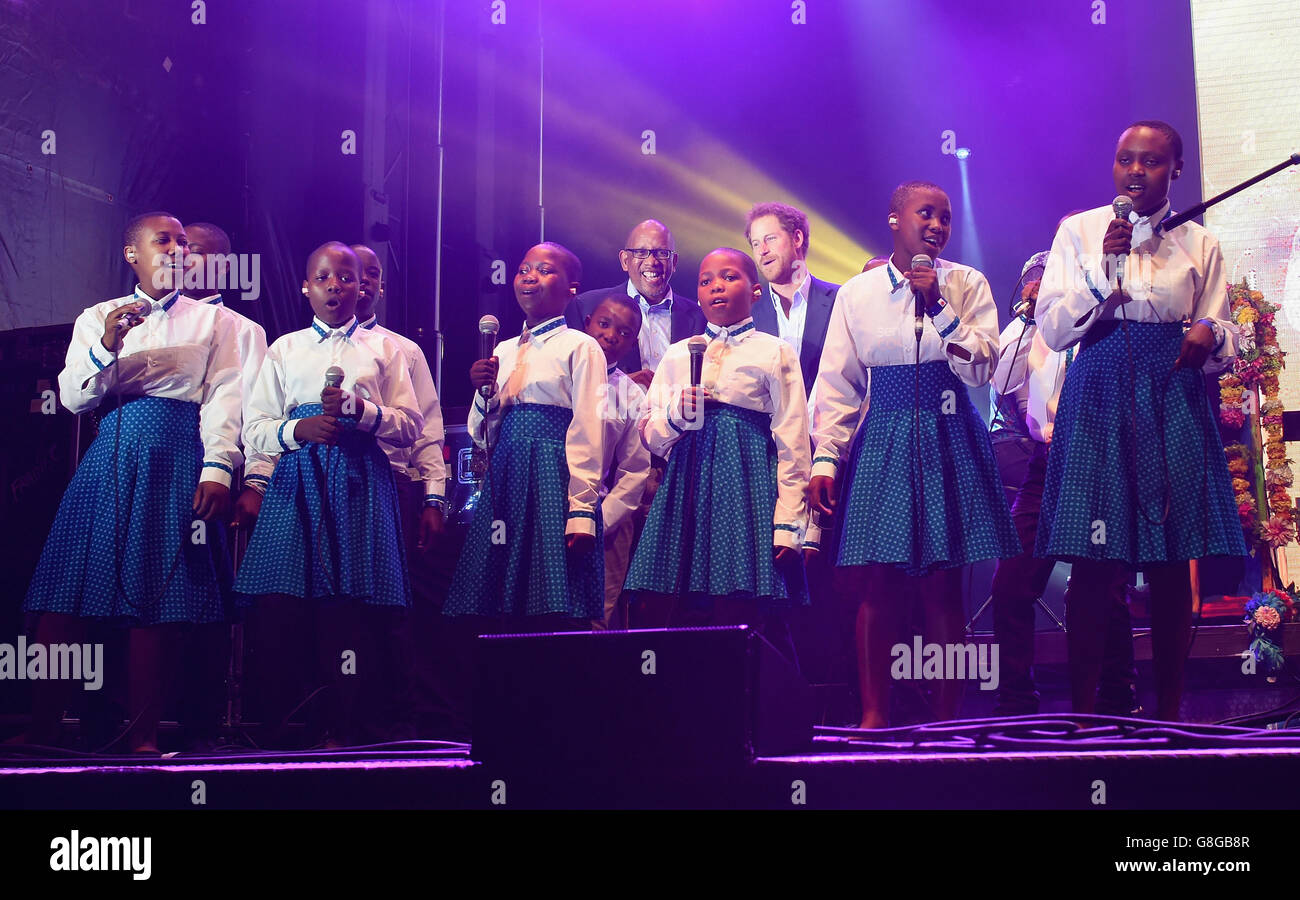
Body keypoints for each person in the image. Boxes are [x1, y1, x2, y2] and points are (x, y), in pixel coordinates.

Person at [1034, 121, 1246, 720]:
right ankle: (1084, 715)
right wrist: (1105, 267)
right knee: (1096, 562)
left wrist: (1212, 333)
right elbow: (1052, 328)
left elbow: (1224, 327)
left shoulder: (1200, 243)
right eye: (1125, 159)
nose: (1135, 171)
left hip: (1172, 389)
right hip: (1100, 384)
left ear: (1174, 170)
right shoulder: (1078, 231)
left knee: (1173, 559)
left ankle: (1171, 714)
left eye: (1151, 161)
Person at [20, 211, 243, 753]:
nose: (177, 249)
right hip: (112, 449)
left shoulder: (218, 323)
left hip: (174, 451)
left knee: (156, 592)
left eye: (183, 242)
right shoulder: (97, 315)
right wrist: (106, 344)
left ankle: (143, 734)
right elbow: (74, 397)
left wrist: (218, 468)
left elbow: (226, 399)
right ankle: (42, 728)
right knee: (68, 588)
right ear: (132, 254)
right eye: (162, 239)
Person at [808, 182, 1019, 728]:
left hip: (949, 430)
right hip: (885, 436)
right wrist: (827, 458)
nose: (938, 225)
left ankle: (947, 717)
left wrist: (939, 308)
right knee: (879, 581)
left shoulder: (965, 283)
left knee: (943, 585)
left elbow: (981, 368)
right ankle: (875, 714)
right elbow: (838, 382)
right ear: (895, 219)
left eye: (946, 218)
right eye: (926, 213)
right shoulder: (858, 295)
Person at [235, 241, 422, 746]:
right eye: (323, 277)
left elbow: (410, 426)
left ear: (363, 287)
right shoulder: (285, 348)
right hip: (297, 482)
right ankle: (277, 726)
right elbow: (254, 426)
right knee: (281, 600)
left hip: (360, 481)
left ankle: (345, 726)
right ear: (305, 286)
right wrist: (300, 432)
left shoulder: (386, 350)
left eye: (346, 277)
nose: (335, 286)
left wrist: (361, 412)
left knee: (349, 608)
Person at [626, 248, 809, 632]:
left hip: (747, 488)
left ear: (755, 291)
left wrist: (790, 521)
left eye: (728, 277)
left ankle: (754, 684)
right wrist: (677, 415)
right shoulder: (679, 354)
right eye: (706, 281)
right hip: (688, 487)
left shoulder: (774, 351)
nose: (715, 287)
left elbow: (792, 440)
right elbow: (649, 434)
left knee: (742, 606)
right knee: (676, 603)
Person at [988, 252, 1136, 717]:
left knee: (1102, 588)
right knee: (1011, 583)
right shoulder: (1036, 326)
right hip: (1046, 462)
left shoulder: (1116, 315)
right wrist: (1030, 322)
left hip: (1099, 460)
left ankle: (1111, 698)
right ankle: (1016, 702)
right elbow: (1002, 380)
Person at [445, 242, 606, 624]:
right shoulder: (501, 349)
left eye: (545, 270)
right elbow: (481, 436)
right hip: (507, 477)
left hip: (553, 476)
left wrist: (581, 509)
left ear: (572, 288)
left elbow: (588, 428)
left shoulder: (581, 347)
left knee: (551, 597)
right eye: (523, 269)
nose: (530, 277)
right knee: (499, 602)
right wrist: (484, 394)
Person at [351, 243, 454, 739]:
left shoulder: (402, 348)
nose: (361, 281)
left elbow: (429, 430)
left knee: (399, 604)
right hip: (329, 482)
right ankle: (347, 713)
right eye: (350, 272)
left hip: (394, 484)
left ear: (380, 285)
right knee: (343, 603)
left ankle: (407, 716)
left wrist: (434, 497)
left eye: (371, 273)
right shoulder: (295, 345)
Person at [564, 219, 706, 390]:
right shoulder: (586, 306)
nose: (652, 261)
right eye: (640, 252)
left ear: (674, 262)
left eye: (662, 253)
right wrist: (621, 384)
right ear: (625, 260)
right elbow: (567, 379)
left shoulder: (699, 317)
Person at [584, 292, 652, 630]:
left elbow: (635, 471)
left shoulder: (629, 394)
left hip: (605, 523)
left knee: (597, 617)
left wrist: (600, 520)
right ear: (587, 324)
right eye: (604, 324)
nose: (611, 335)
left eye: (624, 333)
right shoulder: (558, 378)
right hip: (551, 512)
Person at [745, 202, 841, 397]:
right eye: (755, 243)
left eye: (770, 239)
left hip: (828, 425)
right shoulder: (747, 313)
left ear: (797, 238)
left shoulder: (841, 301)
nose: (762, 250)